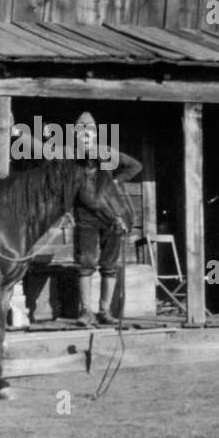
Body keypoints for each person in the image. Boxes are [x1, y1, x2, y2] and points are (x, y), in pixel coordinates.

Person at [71, 110, 141, 327]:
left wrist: (117, 181)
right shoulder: (71, 158)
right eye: (81, 132)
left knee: (109, 265)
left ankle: (105, 311)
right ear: (75, 135)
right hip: (85, 217)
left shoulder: (106, 153)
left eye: (89, 131)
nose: (85, 135)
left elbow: (135, 166)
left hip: (111, 216)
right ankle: (86, 312)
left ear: (95, 134)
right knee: (85, 264)